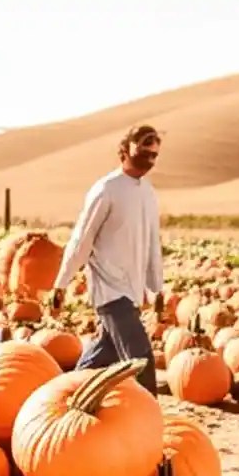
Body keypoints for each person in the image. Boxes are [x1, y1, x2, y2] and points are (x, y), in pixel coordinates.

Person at [49, 124, 164, 393]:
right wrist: (61, 283)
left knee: (103, 357)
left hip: (133, 291)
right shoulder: (106, 190)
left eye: (155, 154)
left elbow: (152, 243)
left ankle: (62, 396)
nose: (149, 158)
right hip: (110, 289)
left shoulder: (147, 193)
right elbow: (82, 239)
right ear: (124, 150)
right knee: (140, 358)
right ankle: (151, 422)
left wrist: (157, 288)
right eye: (143, 150)